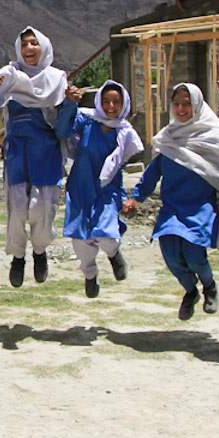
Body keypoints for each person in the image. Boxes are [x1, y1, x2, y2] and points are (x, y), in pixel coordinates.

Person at [123, 83, 219, 320]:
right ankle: (190, 291)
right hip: (172, 208)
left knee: (194, 253)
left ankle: (209, 285)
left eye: (186, 103)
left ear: (196, 104)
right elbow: (152, 173)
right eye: (177, 104)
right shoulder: (168, 138)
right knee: (171, 254)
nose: (181, 108)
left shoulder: (214, 136)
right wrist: (135, 198)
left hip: (201, 207)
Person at [0, 27, 81, 286]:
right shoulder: (10, 76)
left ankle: (40, 252)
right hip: (17, 154)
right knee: (17, 210)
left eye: (34, 43)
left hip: (47, 154)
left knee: (42, 208)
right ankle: (18, 257)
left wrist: (71, 103)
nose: (29, 49)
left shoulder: (57, 79)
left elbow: (63, 128)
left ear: (44, 48)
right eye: (25, 44)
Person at [62, 79, 142, 297]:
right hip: (80, 187)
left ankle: (115, 255)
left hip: (108, 190)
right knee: (80, 241)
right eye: (105, 101)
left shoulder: (126, 134)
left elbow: (119, 167)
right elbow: (62, 131)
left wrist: (129, 197)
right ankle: (90, 274)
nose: (110, 107)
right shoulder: (87, 121)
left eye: (116, 102)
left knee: (105, 234)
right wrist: (69, 104)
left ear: (124, 104)